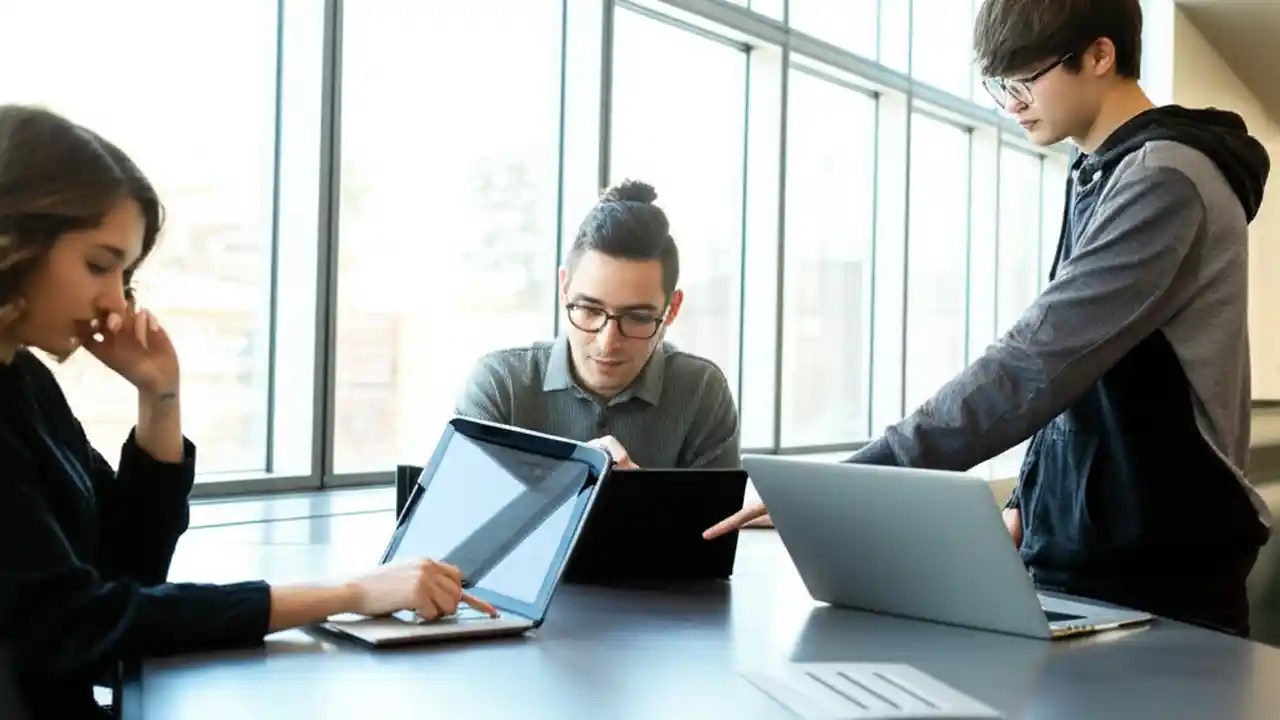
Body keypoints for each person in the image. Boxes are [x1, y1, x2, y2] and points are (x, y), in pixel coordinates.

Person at [708, 0, 1272, 637]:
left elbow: (1038, 360)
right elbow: (1082, 374)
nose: (1011, 102)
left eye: (1025, 80)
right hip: (1101, 555)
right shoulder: (1104, 169)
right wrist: (1026, 500)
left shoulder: (1164, 177)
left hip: (1161, 568)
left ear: (1100, 55)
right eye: (1001, 83)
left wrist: (856, 482)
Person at [0, 105, 497, 718]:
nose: (115, 299)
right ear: (15, 239)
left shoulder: (25, 381)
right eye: (99, 265)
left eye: (125, 274)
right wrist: (347, 593)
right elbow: (79, 625)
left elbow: (127, 569)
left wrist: (160, 396)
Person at [456, 179, 740, 470]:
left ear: (672, 309)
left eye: (638, 318)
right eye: (589, 310)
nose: (608, 343)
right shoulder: (501, 386)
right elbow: (459, 512)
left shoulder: (701, 391)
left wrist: (637, 495)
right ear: (563, 288)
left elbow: (720, 518)